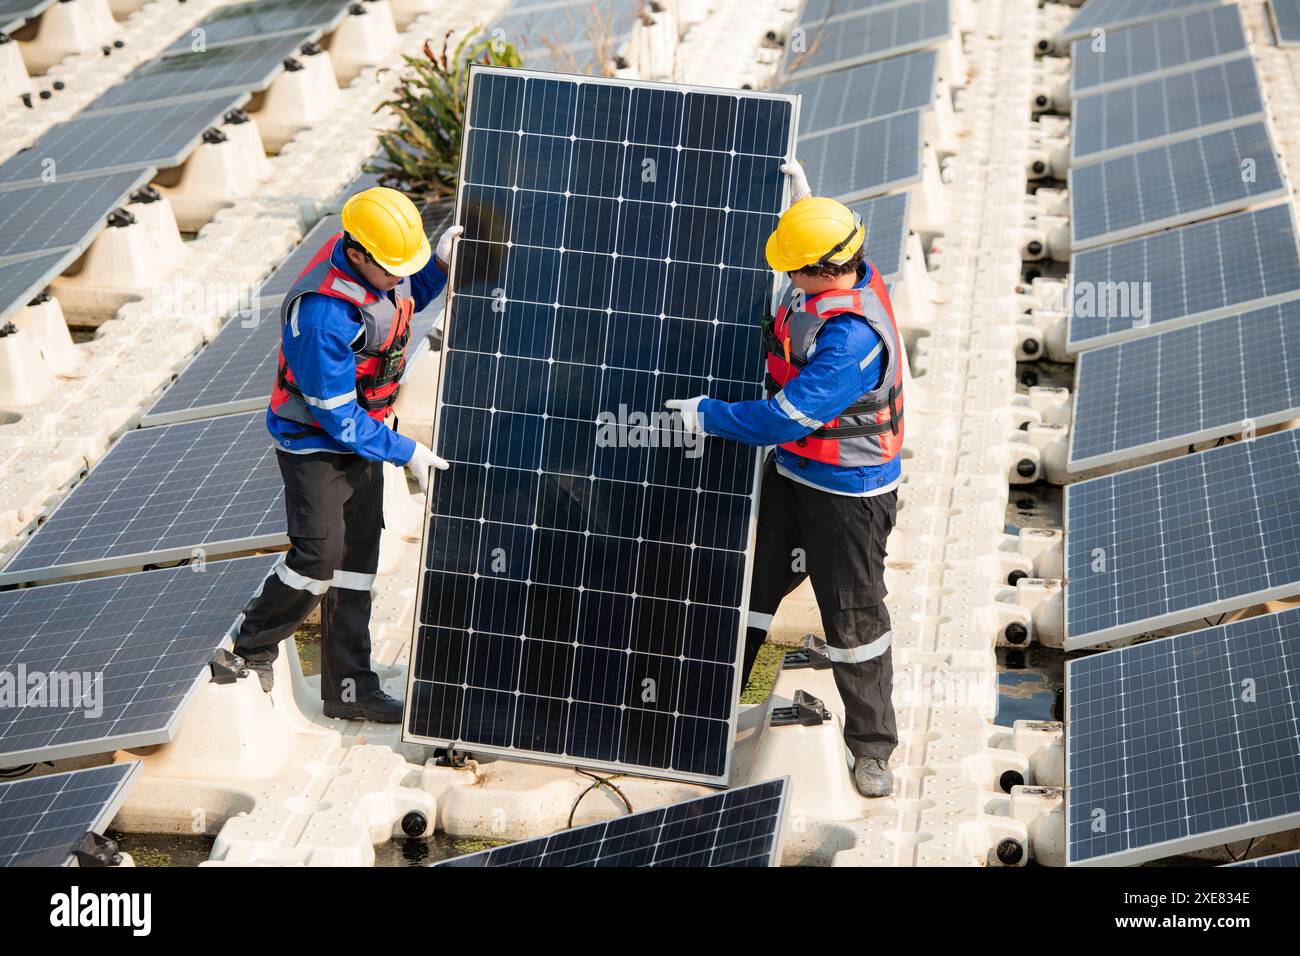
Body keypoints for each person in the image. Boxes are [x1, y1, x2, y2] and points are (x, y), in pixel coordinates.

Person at [666, 162, 904, 797]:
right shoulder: (844, 269)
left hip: (848, 498)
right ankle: (713, 705)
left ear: (823, 270)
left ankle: (873, 746)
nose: (786, 276)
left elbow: (782, 417)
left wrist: (707, 415)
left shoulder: (851, 338)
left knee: (853, 620)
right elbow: (819, 248)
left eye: (793, 264)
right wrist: (805, 207)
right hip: (795, 474)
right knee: (752, 587)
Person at [232, 186, 461, 723]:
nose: (399, 275)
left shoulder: (378, 267)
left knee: (357, 564)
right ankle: (253, 645)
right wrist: (406, 451)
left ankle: (350, 689)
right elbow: (336, 418)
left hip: (365, 433)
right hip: (315, 445)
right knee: (318, 557)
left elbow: (401, 299)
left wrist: (440, 268)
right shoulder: (322, 318)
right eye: (392, 268)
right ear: (356, 254)